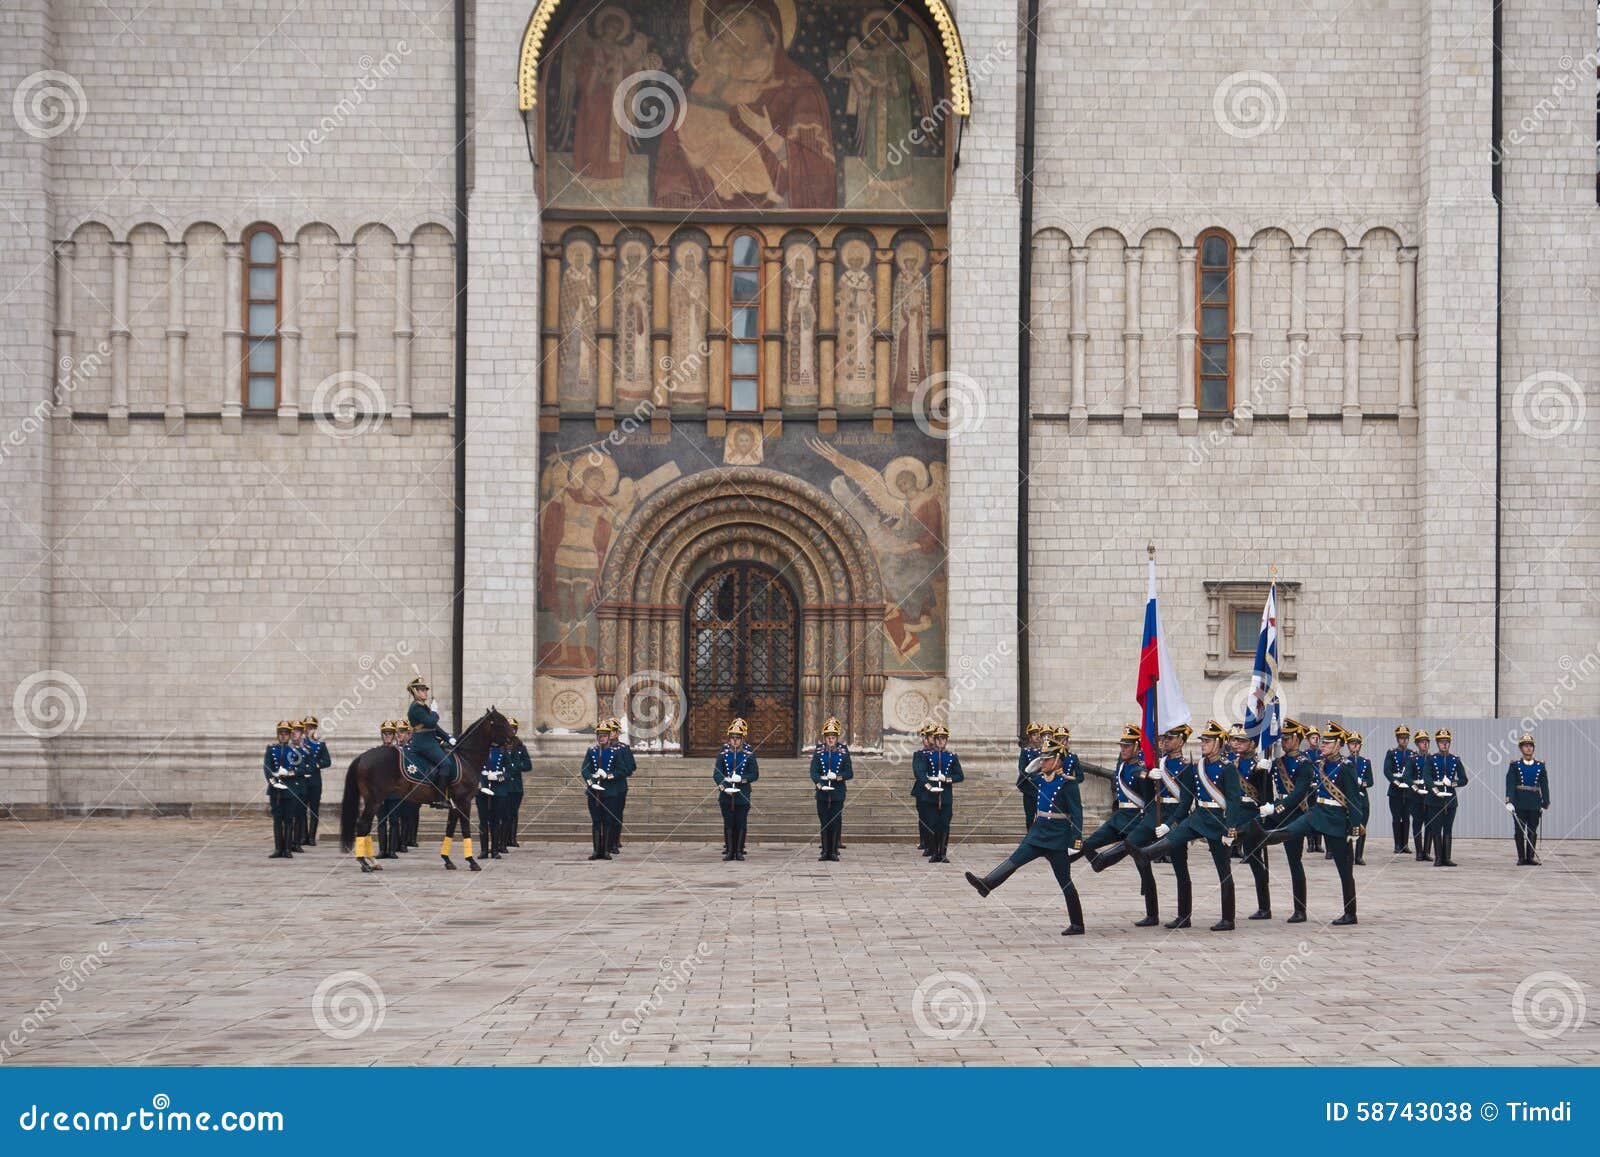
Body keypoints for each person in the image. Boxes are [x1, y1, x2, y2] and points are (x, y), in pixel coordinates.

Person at [1095, 720, 1242, 931]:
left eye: (1208, 741)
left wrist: (1231, 828)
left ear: (1218, 743)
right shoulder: (1197, 766)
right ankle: (1146, 854)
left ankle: (1228, 919)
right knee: (1174, 837)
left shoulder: (1226, 768)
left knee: (1223, 870)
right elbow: (1188, 796)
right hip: (1198, 816)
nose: (1203, 744)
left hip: (1217, 820)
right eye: (1203, 741)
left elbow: (1234, 800)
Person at [965, 730, 1087, 936]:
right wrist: (1029, 770)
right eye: (1042, 759)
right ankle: (987, 884)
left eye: (1047, 759)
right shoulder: (1041, 779)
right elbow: (1021, 785)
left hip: (1057, 837)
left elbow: (1077, 814)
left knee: (1064, 881)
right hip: (1038, 833)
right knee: (1015, 859)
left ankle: (1077, 924)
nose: (1044, 762)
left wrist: (1075, 842)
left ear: (1058, 760)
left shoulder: (1068, 784)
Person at [1257, 722, 1367, 925]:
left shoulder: (1346, 767)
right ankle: (1262, 837)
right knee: (1290, 831)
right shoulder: (1321, 764)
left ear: (1338, 745)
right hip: (1317, 813)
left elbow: (1354, 799)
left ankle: (1350, 913)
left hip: (1336, 819)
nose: (1323, 745)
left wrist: (1355, 826)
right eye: (1323, 742)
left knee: (1344, 870)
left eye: (1328, 742)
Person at [1079, 725, 1161, 927]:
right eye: (1122, 746)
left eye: (1127, 746)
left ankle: (1152, 914)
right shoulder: (1121, 765)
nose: (1123, 749)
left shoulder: (1141, 771)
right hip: (1119, 817)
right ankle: (1099, 863)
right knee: (1088, 844)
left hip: (1137, 820)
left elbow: (1150, 802)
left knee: (1144, 868)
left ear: (1136, 747)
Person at [1263, 719, 1314, 922]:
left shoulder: (1305, 764)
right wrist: (1261, 769)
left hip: (1295, 814)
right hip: (1278, 811)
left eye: (1287, 739)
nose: (1283, 742)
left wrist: (1275, 808)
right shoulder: (1278, 763)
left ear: (1297, 739)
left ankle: (1300, 909)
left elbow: (1298, 794)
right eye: (1282, 738)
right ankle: (1264, 906)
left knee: (1294, 861)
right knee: (1254, 835)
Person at [1229, 723, 1274, 919]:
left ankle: (1265, 906)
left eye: (1242, 740)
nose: (1237, 743)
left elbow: (1266, 795)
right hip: (1234, 814)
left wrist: (1262, 772)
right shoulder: (1232, 762)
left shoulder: (1260, 764)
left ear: (1253, 744)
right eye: (1235, 740)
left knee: (1256, 861)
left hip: (1252, 815)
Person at [581, 718, 633, 861]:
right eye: (600, 735)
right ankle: (596, 850)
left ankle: (606, 850)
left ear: (609, 736)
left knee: (608, 820)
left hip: (610, 791)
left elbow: (622, 770)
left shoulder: (616, 752)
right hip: (594, 791)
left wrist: (608, 776)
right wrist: (591, 782)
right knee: (596, 821)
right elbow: (585, 770)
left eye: (605, 735)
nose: (602, 738)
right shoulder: (591, 751)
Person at [917, 724, 963, 863]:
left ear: (946, 740)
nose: (940, 741)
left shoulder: (952, 757)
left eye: (943, 738)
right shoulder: (928, 756)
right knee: (932, 824)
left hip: (946, 795)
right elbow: (921, 772)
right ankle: (934, 852)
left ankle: (943, 852)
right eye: (938, 738)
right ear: (934, 740)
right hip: (931, 795)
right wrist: (929, 786)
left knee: (944, 825)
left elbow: (960, 775)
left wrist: (948, 779)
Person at [714, 718, 758, 860]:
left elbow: (755, 774)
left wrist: (742, 779)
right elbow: (717, 773)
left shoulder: (748, 753)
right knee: (728, 822)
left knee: (740, 822)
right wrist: (723, 786)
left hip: (742, 794)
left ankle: (739, 851)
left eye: (737, 738)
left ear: (742, 739)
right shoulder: (723, 753)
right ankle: (730, 851)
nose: (734, 741)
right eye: (732, 738)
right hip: (726, 794)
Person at [404, 675, 455, 801]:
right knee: (446, 764)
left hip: (430, 741)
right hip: (424, 743)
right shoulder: (416, 707)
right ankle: (440, 798)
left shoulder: (422, 706)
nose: (425, 692)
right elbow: (431, 722)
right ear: (415, 691)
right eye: (422, 689)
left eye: (426, 689)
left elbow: (434, 727)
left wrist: (448, 738)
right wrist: (435, 712)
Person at [810, 717, 853, 861]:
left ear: (837, 738)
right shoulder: (819, 752)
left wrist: (837, 776)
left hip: (837, 793)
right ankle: (824, 851)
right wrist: (820, 785)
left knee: (834, 821)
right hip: (822, 793)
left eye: (833, 737)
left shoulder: (843, 752)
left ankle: (833, 851)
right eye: (828, 737)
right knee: (824, 822)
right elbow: (813, 772)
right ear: (825, 738)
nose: (830, 740)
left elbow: (849, 773)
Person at [1506, 732, 1550, 866]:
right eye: (1525, 746)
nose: (1528, 748)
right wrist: (1509, 801)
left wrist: (1545, 802)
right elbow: (1510, 783)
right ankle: (1521, 857)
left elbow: (1544, 784)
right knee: (1519, 830)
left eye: (1530, 745)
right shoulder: (1515, 765)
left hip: (1534, 802)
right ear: (1521, 748)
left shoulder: (1540, 766)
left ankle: (1530, 857)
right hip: (1519, 801)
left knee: (1532, 829)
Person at [1429, 728, 1468, 867]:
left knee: (1448, 828)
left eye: (1446, 742)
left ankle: (1447, 858)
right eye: (1441, 742)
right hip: (1435, 799)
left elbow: (1464, 779)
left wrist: (1452, 783)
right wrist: (1435, 790)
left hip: (1450, 799)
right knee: (1436, 828)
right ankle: (1438, 858)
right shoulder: (1431, 758)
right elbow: (1426, 777)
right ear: (1437, 744)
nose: (1444, 744)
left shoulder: (1455, 760)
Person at [263, 721, 297, 859]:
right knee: (277, 819)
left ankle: (288, 849)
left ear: (289, 735)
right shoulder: (271, 749)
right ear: (278, 735)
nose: (283, 736)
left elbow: (300, 768)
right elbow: (267, 766)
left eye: (286, 734)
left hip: (289, 789)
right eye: (281, 734)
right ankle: (278, 848)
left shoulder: (295, 751)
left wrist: (289, 773)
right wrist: (272, 781)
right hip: (275, 789)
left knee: (288, 819)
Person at [1382, 724, 1414, 854]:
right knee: (1396, 817)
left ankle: (1405, 844)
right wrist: (1396, 782)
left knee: (1406, 817)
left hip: (1408, 790)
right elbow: (1387, 770)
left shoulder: (1413, 754)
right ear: (1397, 739)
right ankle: (1397, 845)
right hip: (1395, 789)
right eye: (1401, 738)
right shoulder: (1391, 753)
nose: (1404, 740)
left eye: (1406, 738)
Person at [300, 715, 331, 846]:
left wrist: (317, 764)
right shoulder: (297, 744)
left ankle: (312, 837)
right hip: (301, 781)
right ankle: (303, 836)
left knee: (314, 809)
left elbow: (327, 761)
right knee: (301, 809)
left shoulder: (320, 745)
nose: (308, 730)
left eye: (311, 728)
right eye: (306, 728)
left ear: (315, 729)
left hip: (315, 781)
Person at [375, 720, 403, 860]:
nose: (387, 736)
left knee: (393, 821)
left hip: (394, 793)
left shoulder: (399, 752)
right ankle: (382, 850)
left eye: (390, 734)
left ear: (394, 736)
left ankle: (392, 850)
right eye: (385, 734)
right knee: (381, 822)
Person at [1344, 732, 1373, 865]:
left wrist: (1362, 783)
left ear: (1360, 746)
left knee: (1362, 826)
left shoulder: (1365, 762)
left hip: (1362, 798)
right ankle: (1349, 854)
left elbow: (1371, 781)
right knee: (1349, 826)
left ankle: (1359, 855)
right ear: (1348, 746)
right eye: (1351, 743)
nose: (1354, 746)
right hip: (1349, 798)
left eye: (1356, 744)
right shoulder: (1344, 762)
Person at [503, 716, 529, 851]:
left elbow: (528, 765)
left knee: (513, 813)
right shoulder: (501, 746)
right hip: (503, 785)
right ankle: (503, 839)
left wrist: (517, 767)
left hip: (516, 786)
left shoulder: (520, 747)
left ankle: (512, 839)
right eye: (509, 729)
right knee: (504, 813)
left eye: (513, 729)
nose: (511, 731)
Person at [1016, 722, 1048, 829]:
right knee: (1030, 816)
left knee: (1042, 816)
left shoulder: (1045, 752)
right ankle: (1030, 838)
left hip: (1042, 788)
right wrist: (1035, 776)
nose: (1037, 737)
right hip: (1029, 789)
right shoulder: (1025, 751)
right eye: (1034, 734)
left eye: (1039, 734)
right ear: (1030, 737)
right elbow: (1022, 769)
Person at [479, 738, 506, 860]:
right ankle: (484, 850)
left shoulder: (502, 752)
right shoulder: (479, 751)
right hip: (482, 788)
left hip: (498, 789)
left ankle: (495, 850)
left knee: (496, 820)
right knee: (483, 820)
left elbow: (511, 770)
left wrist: (499, 776)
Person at [1409, 728, 1434, 860]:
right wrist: (1416, 788)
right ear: (1417, 744)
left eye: (1426, 742)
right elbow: (1407, 776)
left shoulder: (1432, 759)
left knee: (1429, 823)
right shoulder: (1413, 759)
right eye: (1421, 742)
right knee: (1417, 823)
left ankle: (1427, 852)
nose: (1424, 744)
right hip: (1416, 796)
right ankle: (1419, 851)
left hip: (1429, 795)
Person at [394, 720, 420, 848]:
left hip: (410, 787)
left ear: (408, 734)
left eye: (402, 732)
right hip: (395, 787)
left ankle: (406, 840)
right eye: (397, 732)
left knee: (408, 815)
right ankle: (396, 842)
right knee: (395, 816)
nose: (400, 735)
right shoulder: (392, 750)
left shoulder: (412, 750)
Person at [911, 721, 935, 852]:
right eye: (928, 736)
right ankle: (924, 842)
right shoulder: (919, 754)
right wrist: (928, 784)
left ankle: (932, 844)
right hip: (922, 790)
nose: (930, 739)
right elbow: (918, 772)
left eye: (932, 736)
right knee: (924, 817)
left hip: (937, 790)